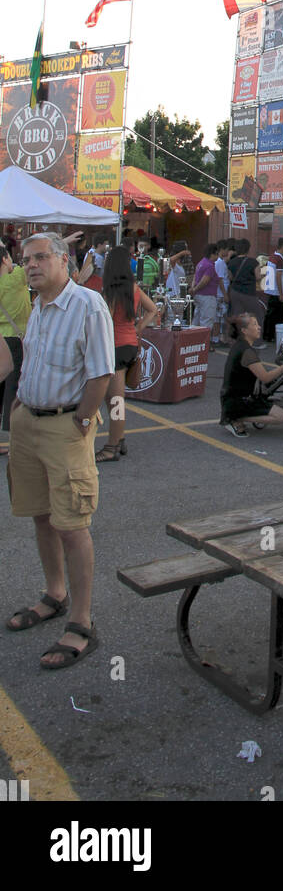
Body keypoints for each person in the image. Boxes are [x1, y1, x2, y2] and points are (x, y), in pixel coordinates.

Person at [6, 232, 114, 669]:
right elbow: (31, 361)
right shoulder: (38, 307)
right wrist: (19, 406)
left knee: (72, 525)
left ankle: (82, 621)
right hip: (28, 422)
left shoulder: (88, 305)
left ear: (64, 260)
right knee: (41, 515)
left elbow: (101, 372)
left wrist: (83, 420)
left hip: (65, 425)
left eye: (39, 258)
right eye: (25, 259)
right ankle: (54, 593)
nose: (30, 265)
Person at [95, 245, 159, 462]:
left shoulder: (110, 292)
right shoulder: (133, 288)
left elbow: (105, 321)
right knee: (116, 399)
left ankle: (112, 446)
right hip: (130, 343)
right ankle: (118, 438)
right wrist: (138, 328)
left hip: (113, 346)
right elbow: (153, 309)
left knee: (114, 401)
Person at [219, 313, 283, 438]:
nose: (259, 327)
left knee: (280, 407)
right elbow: (265, 377)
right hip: (237, 401)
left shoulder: (241, 346)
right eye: (254, 324)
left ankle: (235, 415)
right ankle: (234, 418)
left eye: (258, 324)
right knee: (281, 416)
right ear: (244, 331)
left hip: (238, 397)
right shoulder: (246, 351)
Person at [0, 242, 32, 449]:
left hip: (0, 336)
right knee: (13, 387)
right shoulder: (15, 278)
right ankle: (13, 436)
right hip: (15, 339)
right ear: (5, 259)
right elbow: (37, 262)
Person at [227, 239, 265, 333]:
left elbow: (230, 277)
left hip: (235, 292)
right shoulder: (253, 262)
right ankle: (256, 341)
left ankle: (235, 340)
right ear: (248, 249)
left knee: (237, 316)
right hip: (249, 293)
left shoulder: (231, 262)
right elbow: (258, 277)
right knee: (257, 315)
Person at [262, 238, 283, 349]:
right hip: (275, 290)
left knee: (271, 314)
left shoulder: (273, 257)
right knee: (276, 315)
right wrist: (280, 293)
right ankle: (270, 335)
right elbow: (279, 276)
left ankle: (268, 335)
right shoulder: (279, 259)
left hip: (271, 289)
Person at [192, 243, 221, 344]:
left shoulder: (201, 263)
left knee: (197, 319)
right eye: (217, 254)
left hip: (199, 295)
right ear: (213, 254)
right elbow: (205, 281)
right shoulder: (210, 266)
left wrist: (193, 289)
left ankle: (193, 341)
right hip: (207, 296)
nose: (218, 257)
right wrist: (195, 289)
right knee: (207, 320)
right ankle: (203, 343)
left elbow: (195, 278)